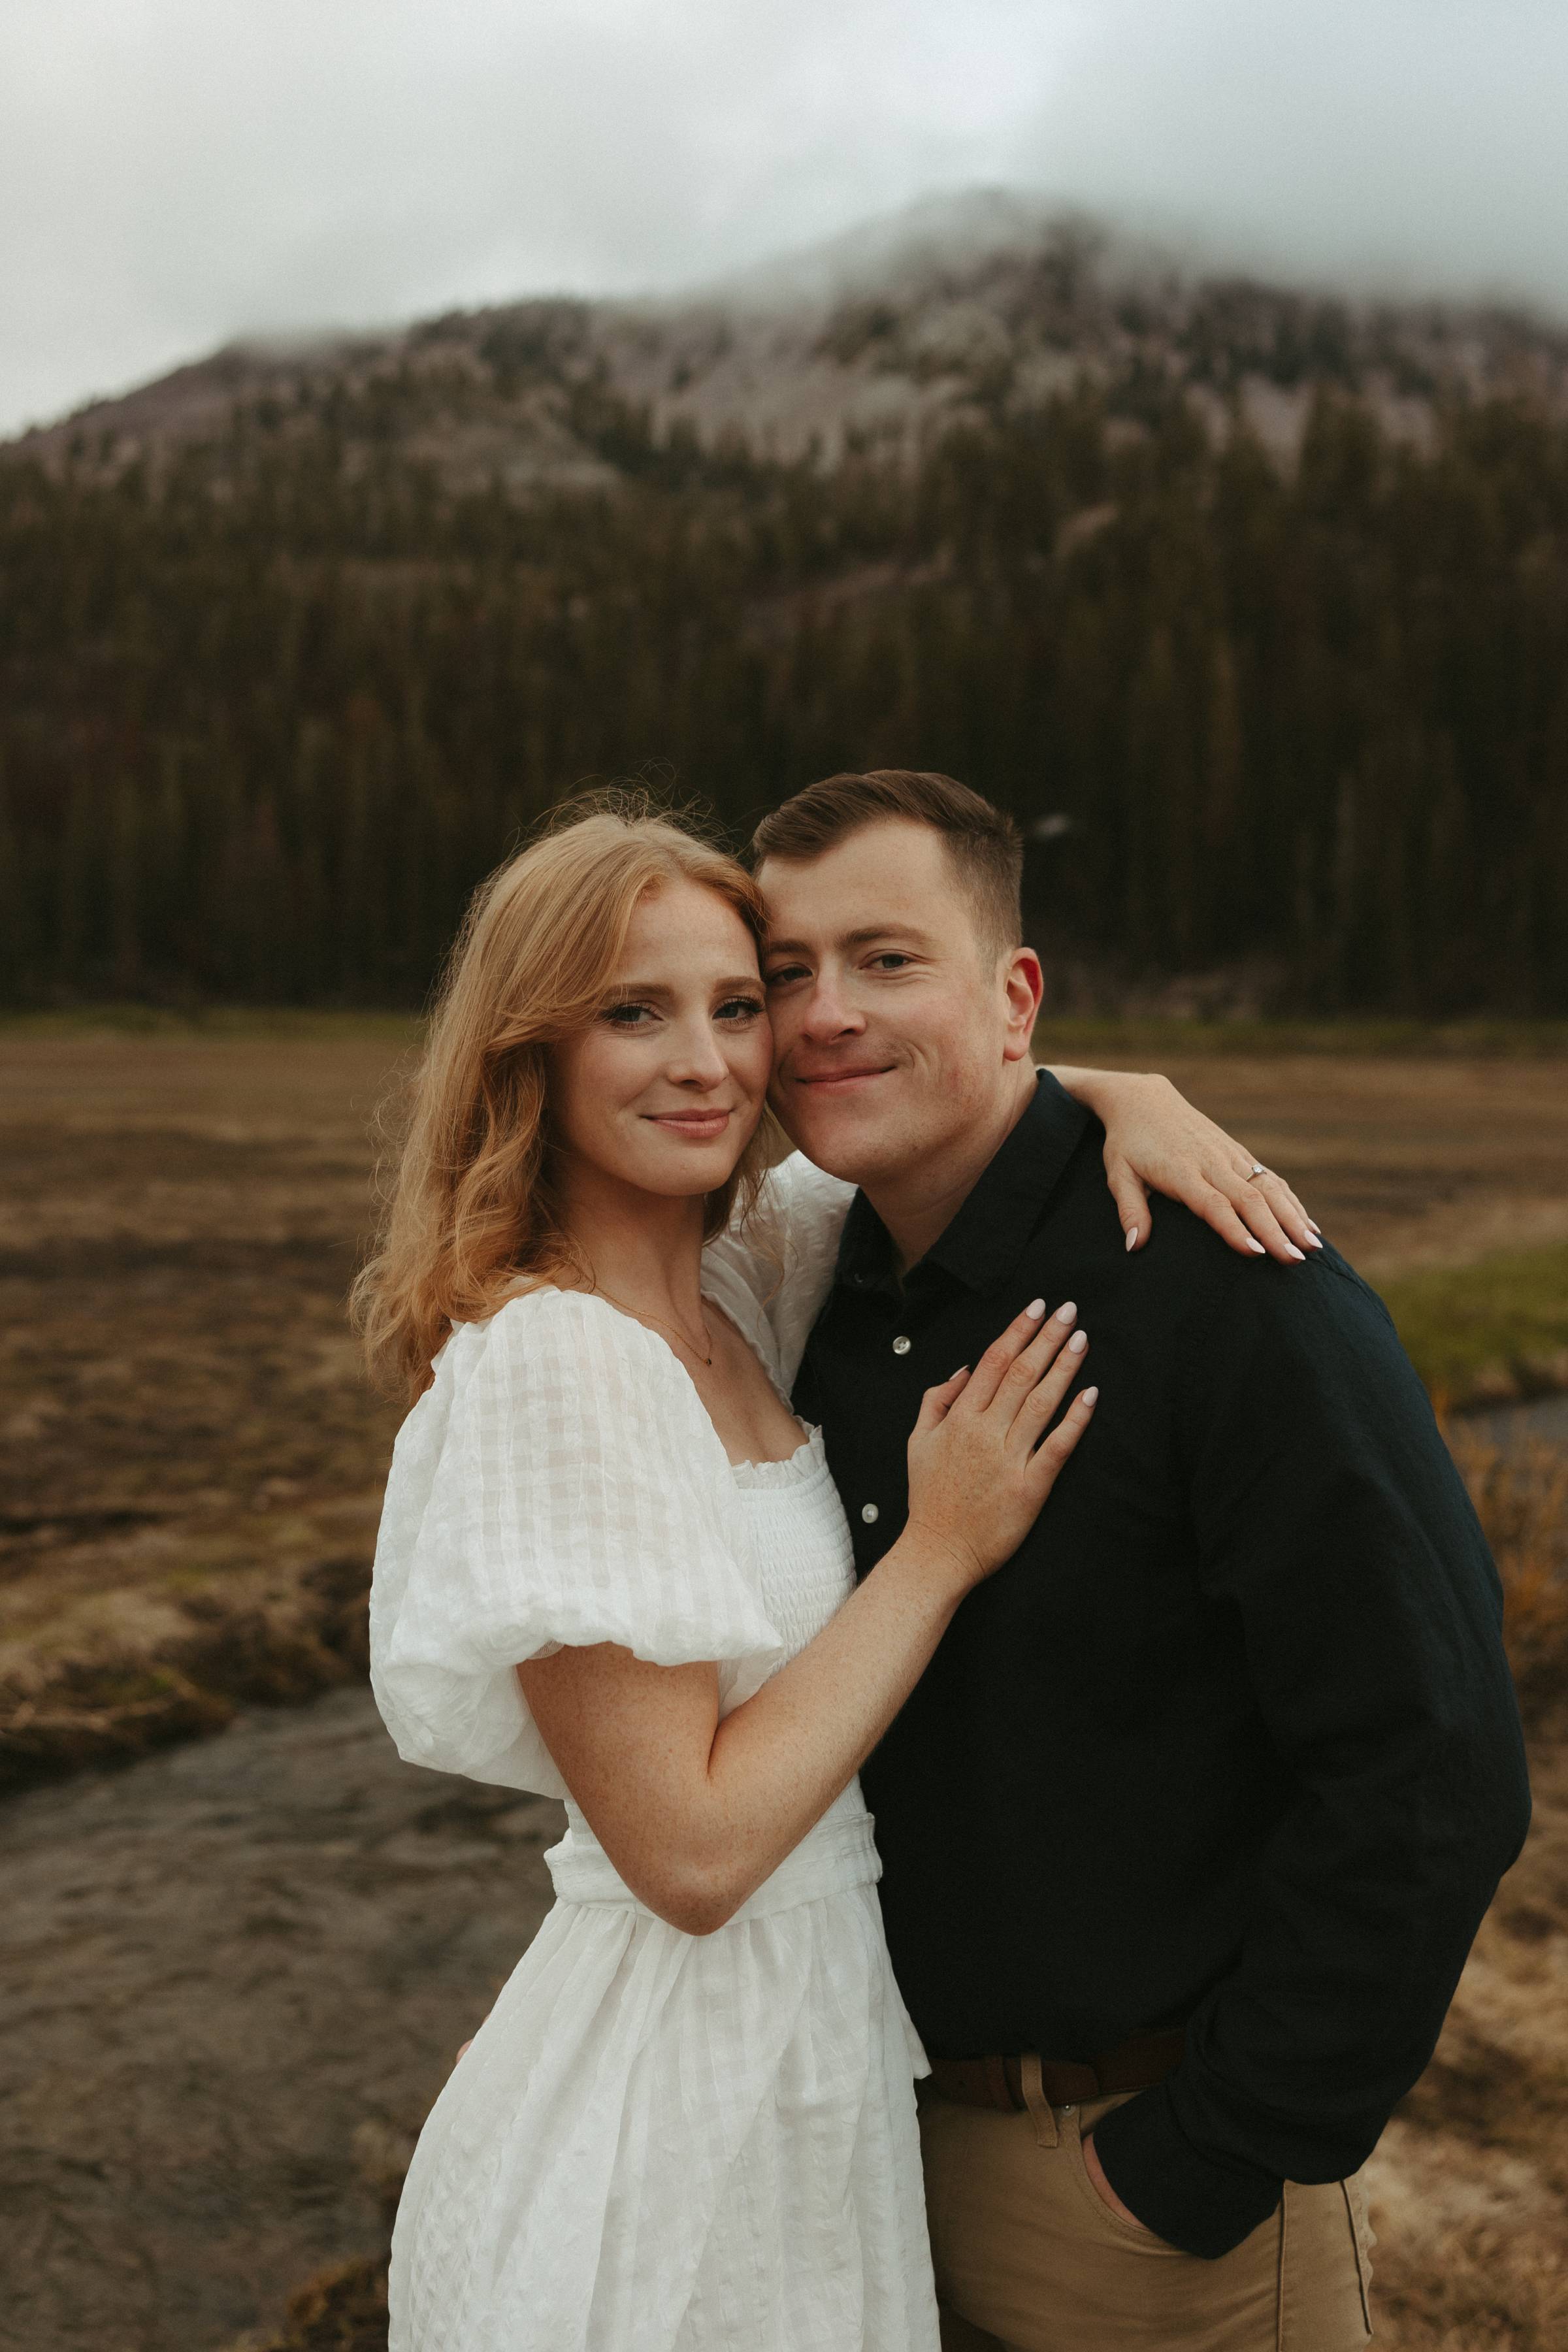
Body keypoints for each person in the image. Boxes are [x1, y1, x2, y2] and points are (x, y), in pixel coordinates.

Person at [357, 795, 1316, 2351]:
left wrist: (1116, 1085)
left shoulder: (743, 1274)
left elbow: (942, 1104)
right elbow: (693, 1855)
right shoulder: (559, 1361)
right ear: (529, 1045)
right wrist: (937, 1555)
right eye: (634, 1013)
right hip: (674, 2098)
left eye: (739, 1006)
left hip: (820, 2063)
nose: (710, 1062)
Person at [751, 768, 1534, 2352]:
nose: (825, 1012)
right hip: (856, 2184)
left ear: (1015, 992)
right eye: (784, 975)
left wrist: (1212, 2157)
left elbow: (1433, 1767)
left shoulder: (1231, 1293)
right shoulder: (817, 1290)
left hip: (1142, 2204)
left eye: (888, 959)